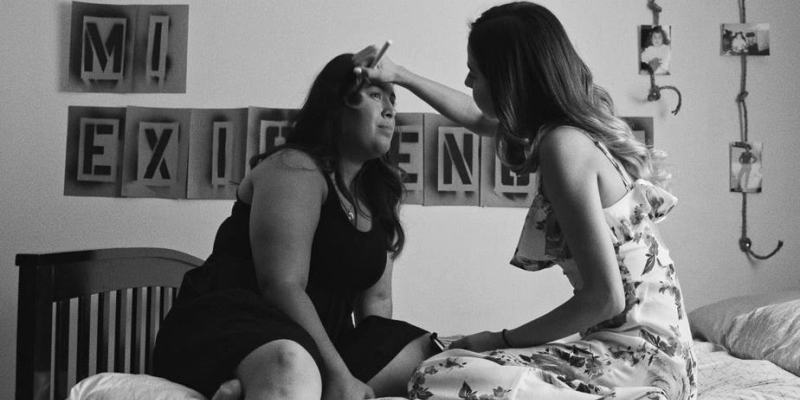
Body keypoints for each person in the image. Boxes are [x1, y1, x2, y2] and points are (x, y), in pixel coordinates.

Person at [354, 2, 696, 399]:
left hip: (639, 365)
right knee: (449, 364)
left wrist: (499, 339)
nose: (467, 80)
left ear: (508, 81)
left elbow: (604, 298)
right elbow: (480, 119)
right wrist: (399, 75)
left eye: (475, 71)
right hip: (662, 362)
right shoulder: (569, 133)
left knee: (436, 375)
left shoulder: (563, 146)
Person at [153, 52, 440, 400]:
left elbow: (376, 303)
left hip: (315, 339)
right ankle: (258, 375)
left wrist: (362, 366)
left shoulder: (378, 195)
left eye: (393, 100)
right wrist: (339, 374)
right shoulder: (295, 168)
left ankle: (247, 387)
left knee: (428, 352)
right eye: (376, 95)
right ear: (338, 103)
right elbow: (281, 285)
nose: (390, 111)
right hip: (232, 323)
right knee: (292, 361)